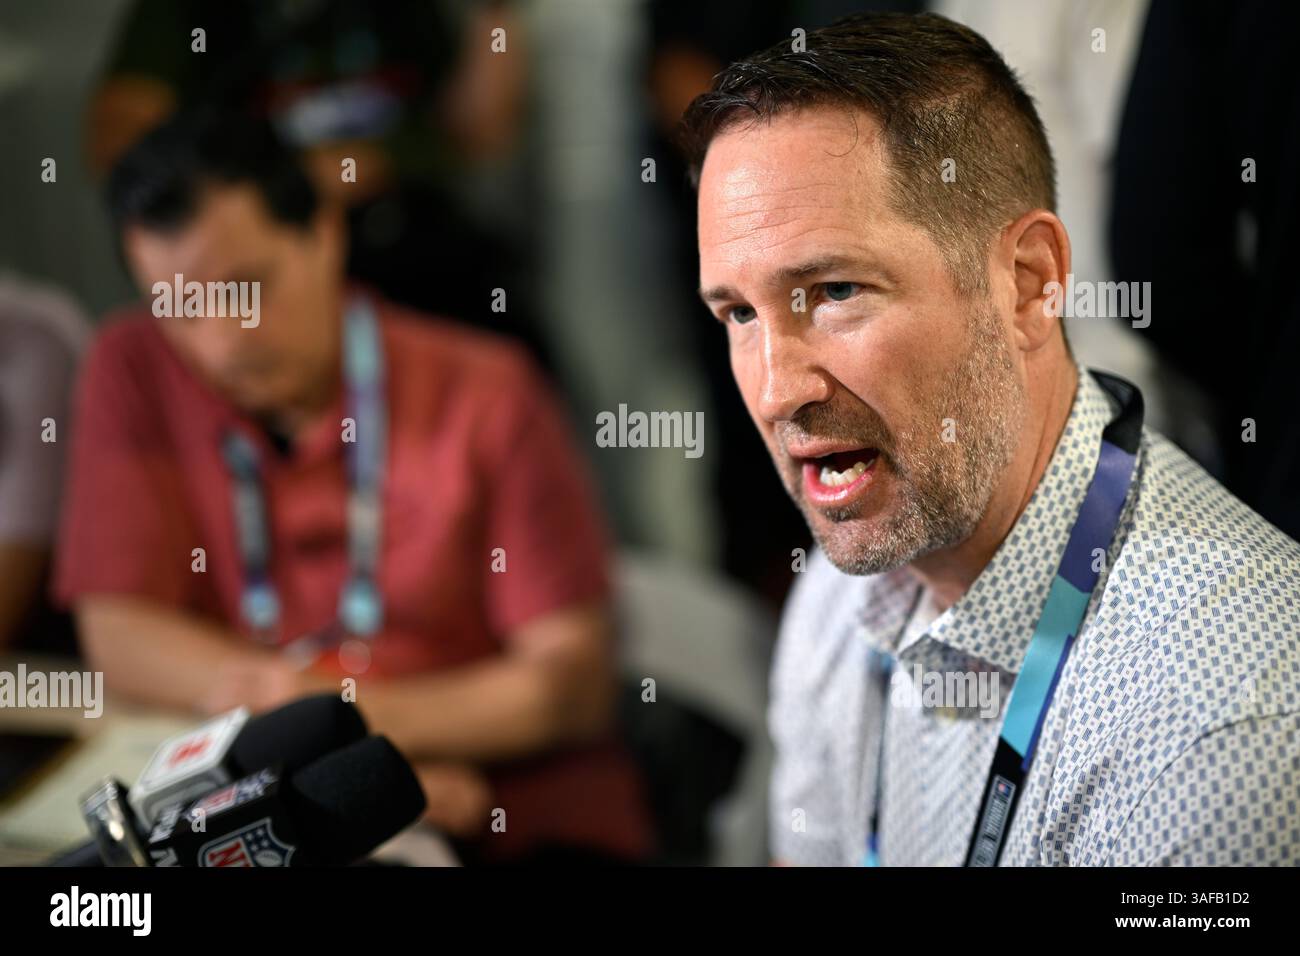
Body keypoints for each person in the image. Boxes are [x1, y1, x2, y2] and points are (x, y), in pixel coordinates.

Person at [681, 12, 1300, 865]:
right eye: (739, 313)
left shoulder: (1223, 715)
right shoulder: (833, 601)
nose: (778, 390)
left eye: (834, 291)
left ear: (1028, 283)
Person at [54, 110, 652, 865]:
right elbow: (118, 631)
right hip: (279, 801)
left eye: (248, 286)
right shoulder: (131, 366)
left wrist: (348, 730)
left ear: (325, 235)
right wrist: (309, 733)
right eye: (181, 305)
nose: (224, 337)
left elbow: (568, 685)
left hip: (503, 817)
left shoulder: (489, 392)